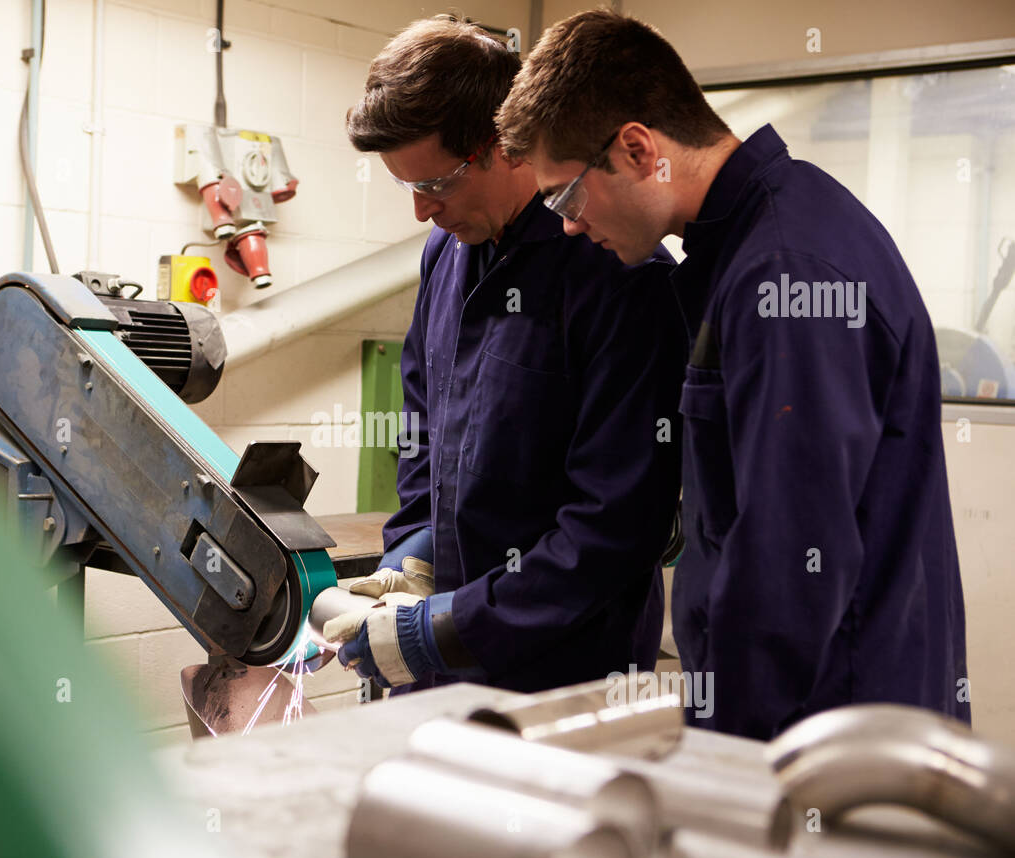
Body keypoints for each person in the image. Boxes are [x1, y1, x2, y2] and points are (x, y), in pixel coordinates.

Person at [496, 9, 969, 738]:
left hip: (826, 733)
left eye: (565, 194)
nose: (566, 223)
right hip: (826, 714)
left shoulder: (783, 274)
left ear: (636, 148)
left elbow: (790, 566)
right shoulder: (760, 245)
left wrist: (724, 754)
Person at [323, 16, 686, 695]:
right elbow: (423, 427)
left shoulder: (617, 269)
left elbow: (615, 524)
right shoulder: (448, 252)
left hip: (564, 671)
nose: (421, 212)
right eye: (408, 187)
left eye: (436, 184)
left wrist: (450, 629)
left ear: (505, 146)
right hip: (439, 651)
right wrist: (414, 559)